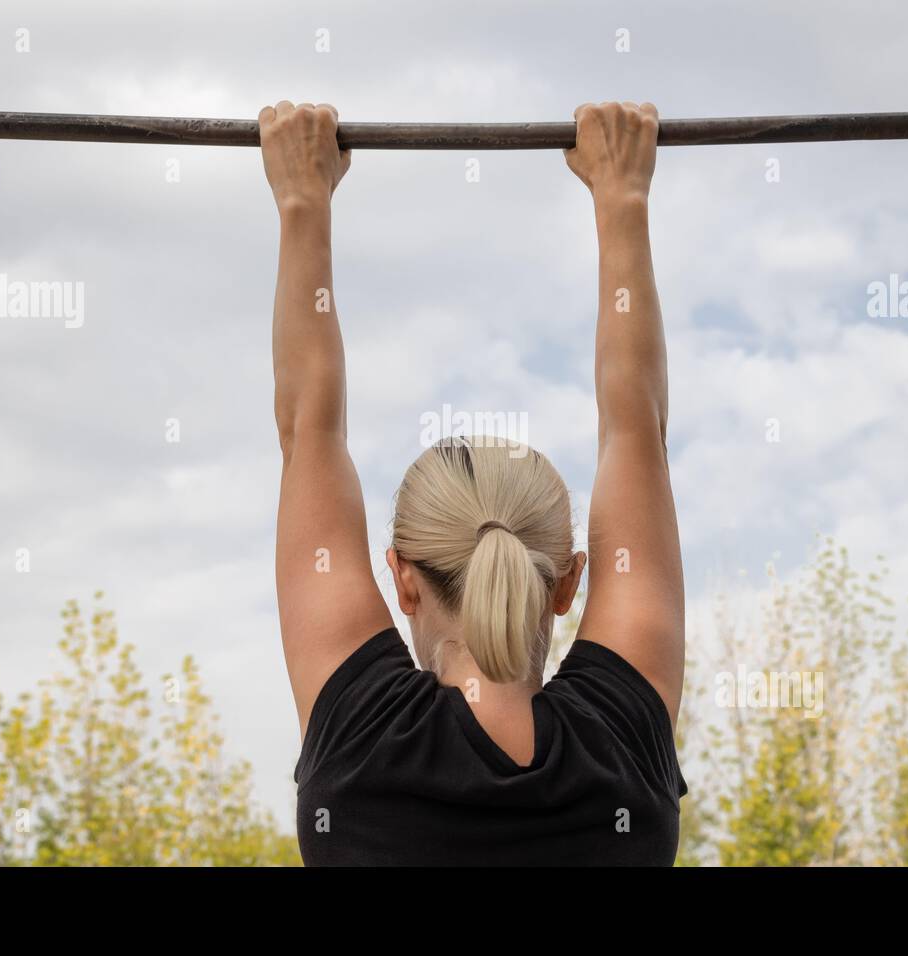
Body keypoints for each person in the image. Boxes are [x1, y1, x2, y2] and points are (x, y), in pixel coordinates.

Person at [261, 99, 686, 865]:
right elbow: (639, 432)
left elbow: (307, 429)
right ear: (568, 583)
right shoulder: (618, 741)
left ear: (403, 578)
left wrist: (302, 200)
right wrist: (622, 198)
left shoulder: (362, 731)